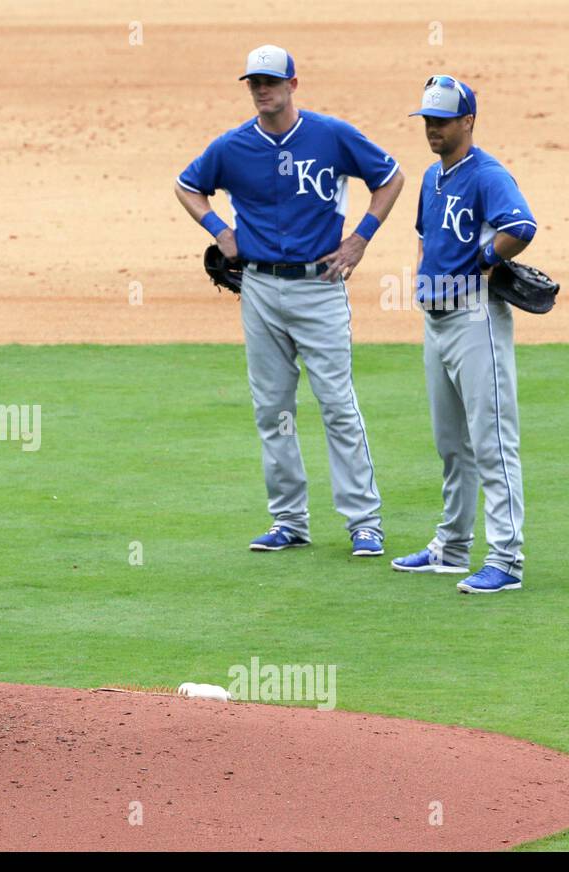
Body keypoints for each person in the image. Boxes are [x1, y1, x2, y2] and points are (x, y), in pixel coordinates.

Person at [175, 44, 405, 558]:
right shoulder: (232, 147)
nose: (261, 90)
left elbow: (390, 177)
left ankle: (364, 522)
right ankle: (289, 521)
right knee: (271, 409)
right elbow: (187, 186)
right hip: (258, 288)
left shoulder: (332, 136)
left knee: (338, 405)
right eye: (253, 83)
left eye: (270, 82)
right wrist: (219, 230)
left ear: (293, 85)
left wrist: (361, 237)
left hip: (320, 287)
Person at [390, 76, 536, 594]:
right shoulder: (432, 177)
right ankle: (451, 548)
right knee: (451, 444)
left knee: (492, 440)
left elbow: (521, 226)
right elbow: (427, 239)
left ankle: (506, 560)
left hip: (476, 320)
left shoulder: (488, 174)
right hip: (436, 322)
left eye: (443, 120)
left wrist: (485, 259)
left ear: (467, 121)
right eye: (427, 119)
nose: (432, 127)